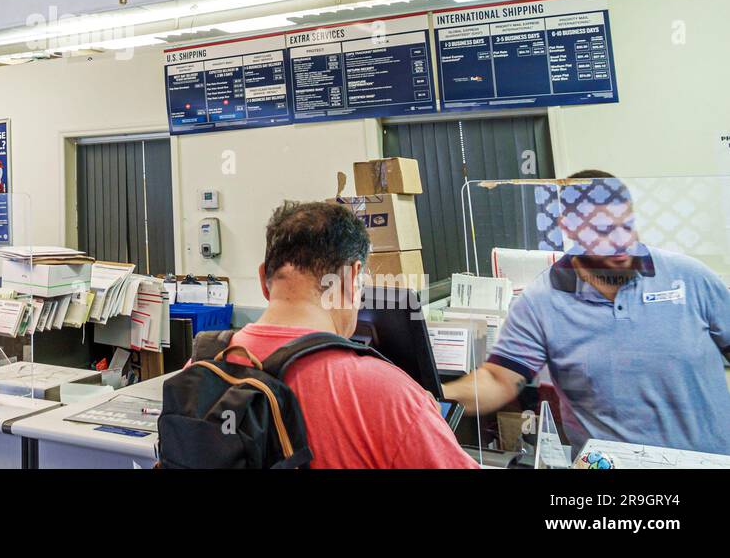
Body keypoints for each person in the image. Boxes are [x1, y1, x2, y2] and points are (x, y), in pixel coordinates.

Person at [443, 170, 730, 455]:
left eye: (626, 226)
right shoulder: (541, 302)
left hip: (711, 461)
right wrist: (430, 398)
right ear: (570, 228)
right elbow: (498, 379)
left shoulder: (690, 277)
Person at [227, 200, 477, 468]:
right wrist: (419, 422)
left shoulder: (201, 369)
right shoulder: (389, 397)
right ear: (350, 278)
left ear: (264, 278)